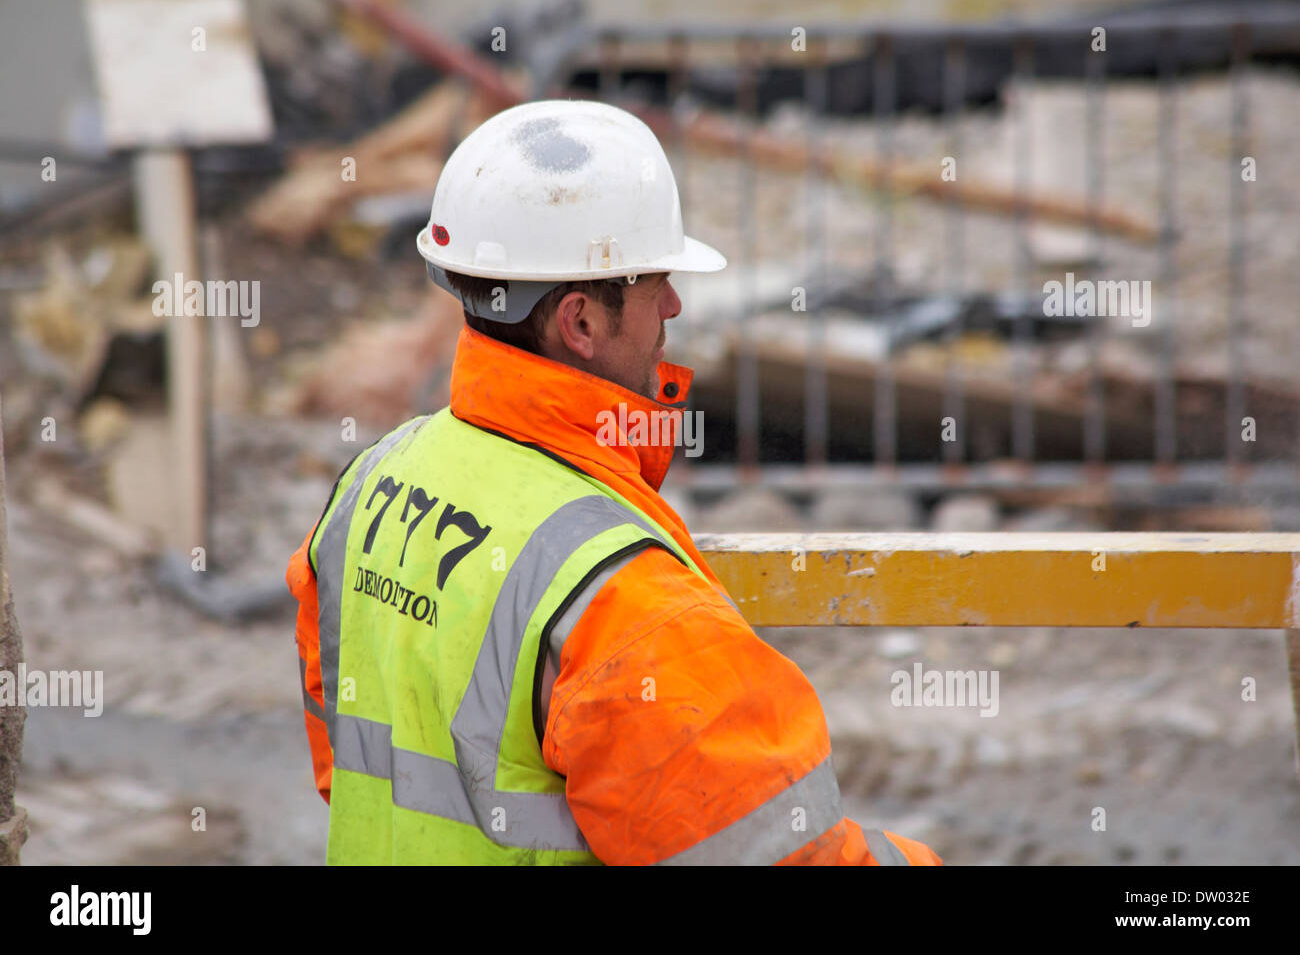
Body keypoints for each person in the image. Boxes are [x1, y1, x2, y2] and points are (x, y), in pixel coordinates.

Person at [286, 99, 942, 866]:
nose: (673, 305)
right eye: (655, 283)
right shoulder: (628, 603)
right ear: (581, 324)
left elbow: (349, 762)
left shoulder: (373, 483)